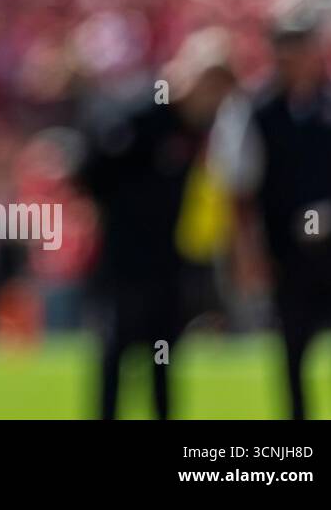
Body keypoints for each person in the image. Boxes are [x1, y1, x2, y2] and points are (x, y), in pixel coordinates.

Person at [77, 27, 236, 419]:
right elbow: (91, 171)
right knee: (116, 349)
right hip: (124, 257)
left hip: (167, 257)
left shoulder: (194, 127)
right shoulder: (143, 114)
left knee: (164, 353)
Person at [211, 12, 331, 419]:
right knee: (293, 349)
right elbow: (238, 188)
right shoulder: (253, 110)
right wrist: (247, 253)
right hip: (285, 250)